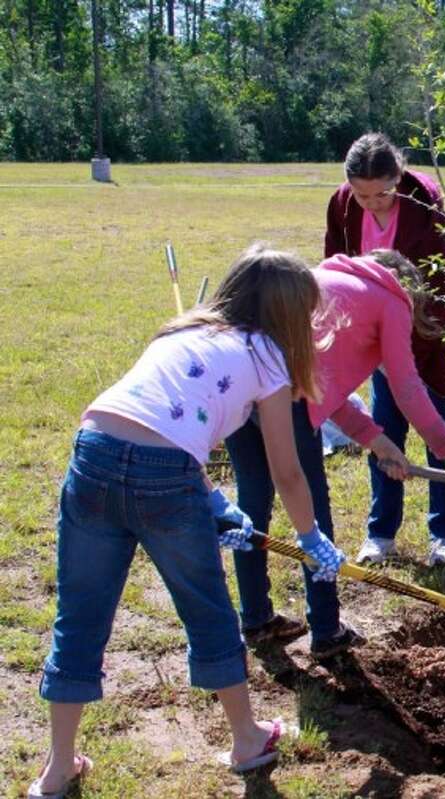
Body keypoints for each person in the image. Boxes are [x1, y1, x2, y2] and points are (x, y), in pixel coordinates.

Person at [31, 245, 340, 794]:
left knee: (79, 617)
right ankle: (247, 741)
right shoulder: (269, 355)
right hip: (165, 474)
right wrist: (311, 537)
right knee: (209, 609)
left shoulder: (181, 330)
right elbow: (286, 471)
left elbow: (154, 419)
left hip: (94, 450)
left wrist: (213, 500)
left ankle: (57, 771)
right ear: (290, 314)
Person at [227, 251, 445, 657]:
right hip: (287, 393)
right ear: (407, 284)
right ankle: (327, 630)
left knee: (251, 503)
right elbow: (406, 389)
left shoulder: (327, 278)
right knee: (312, 512)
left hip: (241, 381)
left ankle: (256, 619)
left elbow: (327, 390)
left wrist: (377, 439)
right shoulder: (391, 299)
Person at [325, 131, 445, 566]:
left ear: (400, 176)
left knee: (440, 429)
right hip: (375, 337)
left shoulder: (428, 204)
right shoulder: (342, 204)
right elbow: (337, 262)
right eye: (362, 195)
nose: (371, 203)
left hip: (431, 338)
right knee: (383, 432)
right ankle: (381, 532)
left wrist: (424, 336)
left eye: (382, 194)